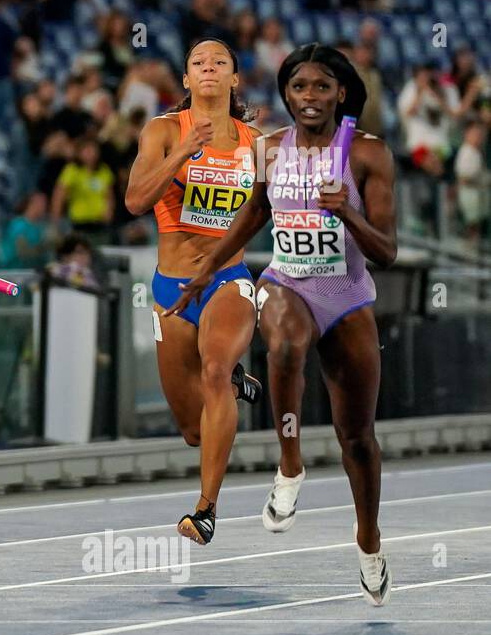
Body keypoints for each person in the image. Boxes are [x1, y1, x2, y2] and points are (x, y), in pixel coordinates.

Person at [170, 43, 397, 605]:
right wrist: (206, 271)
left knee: (359, 441)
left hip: (344, 295)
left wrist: (347, 211)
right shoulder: (270, 150)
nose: (309, 98)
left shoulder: (368, 154)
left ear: (342, 92)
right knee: (287, 343)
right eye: (298, 88)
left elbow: (388, 251)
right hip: (286, 281)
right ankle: (290, 466)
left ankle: (368, 537)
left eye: (321, 87)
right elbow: (253, 212)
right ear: (285, 95)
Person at [125, 38, 263, 547]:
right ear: (186, 80)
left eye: (219, 62)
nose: (208, 68)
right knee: (191, 429)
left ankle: (205, 510)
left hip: (228, 280)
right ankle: (233, 382)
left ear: (233, 79)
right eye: (198, 63)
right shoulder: (163, 130)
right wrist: (184, 151)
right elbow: (136, 200)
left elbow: (278, 208)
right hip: (170, 289)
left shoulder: (257, 144)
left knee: (213, 370)